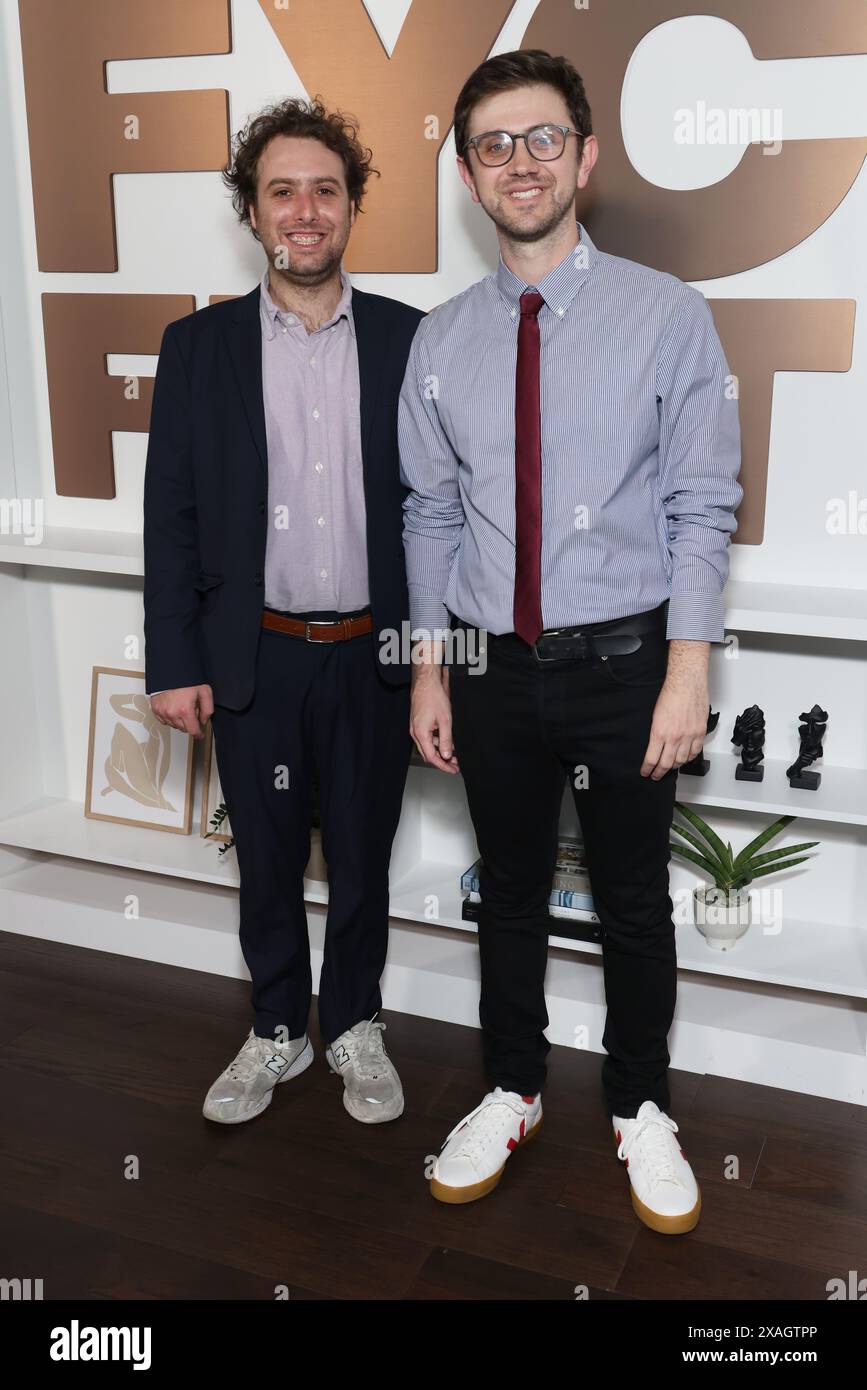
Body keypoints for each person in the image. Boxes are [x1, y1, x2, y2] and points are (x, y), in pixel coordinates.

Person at [399, 50, 743, 1233]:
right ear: (467, 173)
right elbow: (431, 513)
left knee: (636, 901)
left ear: (586, 158)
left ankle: (642, 1106)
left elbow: (704, 503)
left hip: (625, 668)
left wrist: (687, 670)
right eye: (494, 145)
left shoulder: (667, 315)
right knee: (507, 894)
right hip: (489, 669)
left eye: (542, 138)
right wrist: (429, 665)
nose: (520, 162)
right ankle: (511, 1087)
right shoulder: (441, 343)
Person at [143, 98, 423, 1127]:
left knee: (361, 854)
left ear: (350, 207)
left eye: (325, 191)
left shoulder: (410, 341)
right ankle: (277, 1030)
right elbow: (170, 515)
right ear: (252, 213)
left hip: (373, 654)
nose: (305, 212)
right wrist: (174, 660)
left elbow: (441, 516)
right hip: (253, 654)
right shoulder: (197, 347)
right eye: (282, 192)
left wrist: (438, 657)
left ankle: (353, 1023)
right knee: (264, 859)